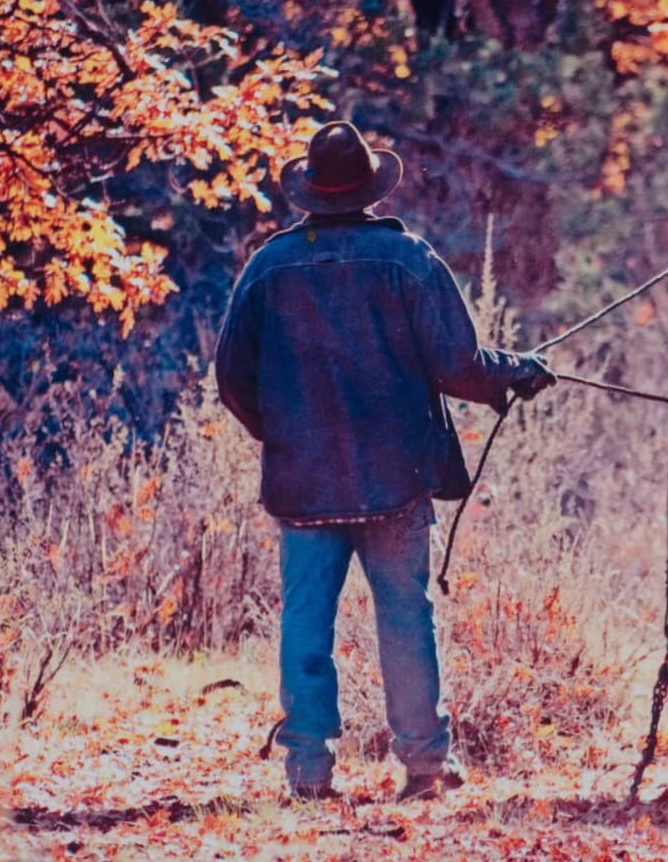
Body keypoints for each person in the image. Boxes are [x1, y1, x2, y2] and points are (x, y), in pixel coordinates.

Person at [215, 120, 556, 801]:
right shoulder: (409, 260)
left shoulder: (268, 267)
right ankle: (426, 766)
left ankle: (308, 772)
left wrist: (283, 434)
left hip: (302, 481)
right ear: (371, 190)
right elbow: (458, 364)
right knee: (406, 615)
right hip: (397, 478)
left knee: (305, 620)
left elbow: (231, 377)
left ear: (310, 191)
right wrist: (514, 371)